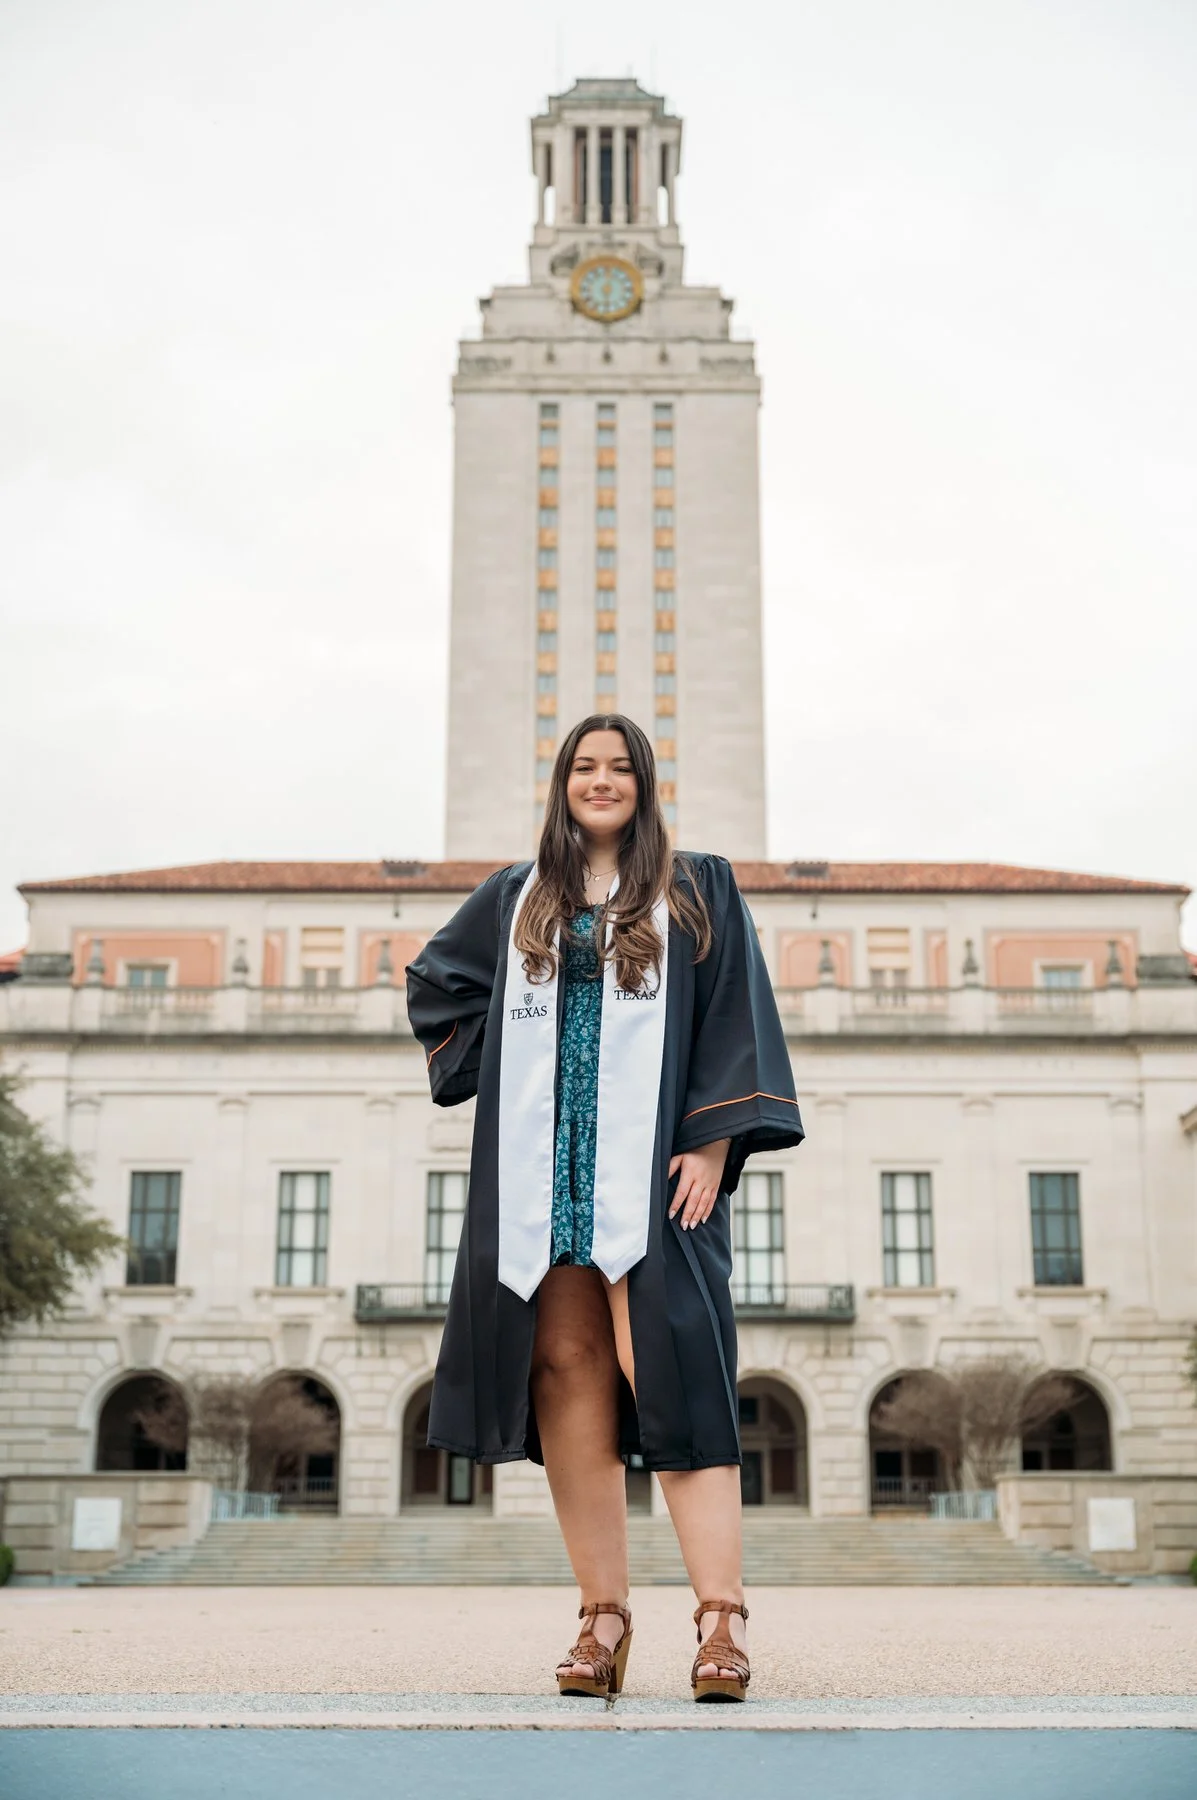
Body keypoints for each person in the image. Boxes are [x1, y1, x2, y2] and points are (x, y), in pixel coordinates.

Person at [406, 713, 803, 1701]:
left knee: (670, 1365)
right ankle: (603, 1618)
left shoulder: (696, 884)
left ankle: (721, 1620)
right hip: (545, 1174)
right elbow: (436, 989)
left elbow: (733, 1010)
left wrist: (713, 1139)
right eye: (584, 766)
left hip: (655, 1174)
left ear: (645, 782)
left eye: (619, 766)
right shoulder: (515, 897)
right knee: (564, 1363)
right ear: (561, 783)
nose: (601, 780)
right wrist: (509, 1055)